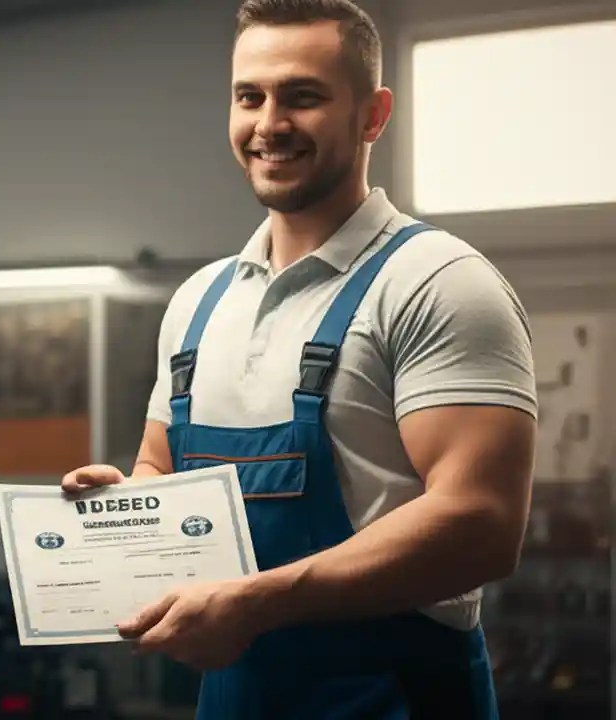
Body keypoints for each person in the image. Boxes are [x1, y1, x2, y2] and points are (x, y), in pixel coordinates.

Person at [61, 0, 536, 717]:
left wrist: (255, 603)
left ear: (373, 116)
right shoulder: (199, 301)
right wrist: (128, 508)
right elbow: (161, 466)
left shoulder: (438, 283)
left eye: (303, 96)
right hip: (233, 699)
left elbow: (482, 524)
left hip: (395, 698)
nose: (269, 123)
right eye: (249, 96)